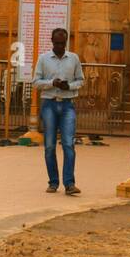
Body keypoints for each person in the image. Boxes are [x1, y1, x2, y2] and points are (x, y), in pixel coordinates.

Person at [33, 27, 85, 195]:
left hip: (67, 103)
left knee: (69, 144)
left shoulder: (74, 58)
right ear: (52, 42)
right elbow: (35, 82)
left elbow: (80, 80)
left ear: (66, 42)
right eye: (57, 43)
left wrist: (68, 86)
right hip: (49, 103)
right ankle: (53, 182)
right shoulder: (43, 59)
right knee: (49, 145)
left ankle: (69, 183)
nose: (60, 47)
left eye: (62, 44)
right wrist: (52, 83)